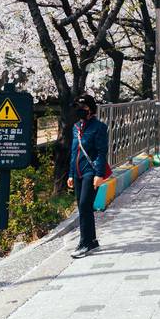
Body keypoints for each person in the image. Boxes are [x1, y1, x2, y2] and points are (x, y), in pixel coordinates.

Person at [68, 94, 109, 259]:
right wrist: (71, 174)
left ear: (91, 109)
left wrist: (99, 174)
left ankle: (84, 243)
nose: (80, 111)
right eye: (78, 108)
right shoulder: (76, 127)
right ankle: (92, 241)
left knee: (85, 204)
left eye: (83, 108)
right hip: (77, 171)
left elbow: (101, 152)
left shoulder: (99, 127)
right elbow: (73, 152)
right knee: (82, 207)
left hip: (90, 172)